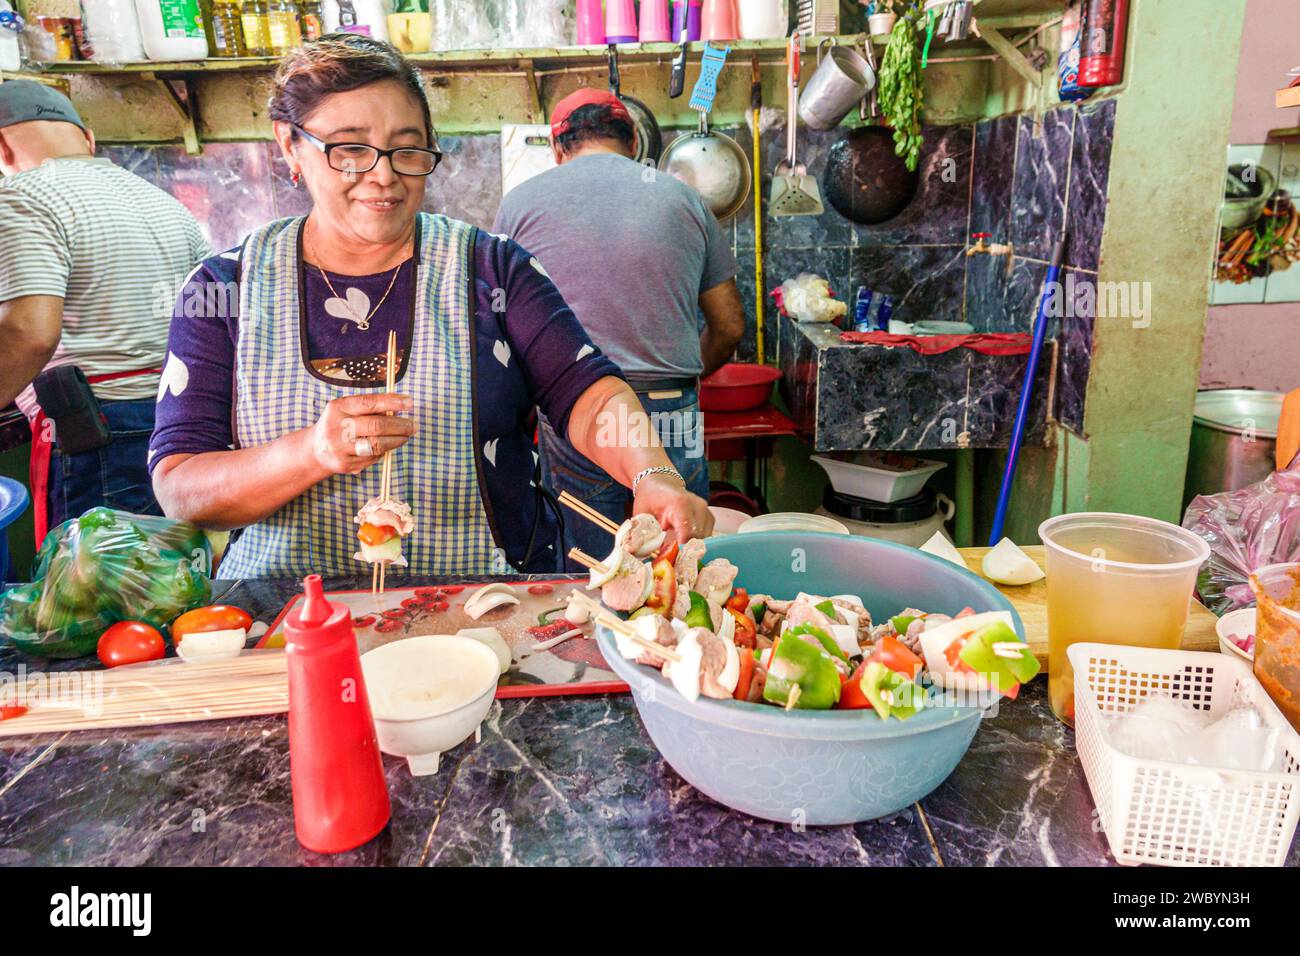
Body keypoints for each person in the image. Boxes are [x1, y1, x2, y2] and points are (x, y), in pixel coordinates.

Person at [149, 34, 713, 579]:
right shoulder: (228, 288)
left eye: (407, 148)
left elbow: (587, 395)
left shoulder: (493, 270)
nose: (384, 174)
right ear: (290, 145)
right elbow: (180, 488)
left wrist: (653, 473)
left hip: (486, 603)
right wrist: (310, 452)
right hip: (291, 622)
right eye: (349, 149)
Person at [493, 88, 744, 566]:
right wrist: (683, 375)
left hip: (576, 415)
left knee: (593, 570)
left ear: (558, 148)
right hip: (672, 407)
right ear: (633, 142)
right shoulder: (686, 198)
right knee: (681, 561)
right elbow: (729, 325)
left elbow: (506, 332)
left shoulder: (520, 203)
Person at [0, 80, 211, 544]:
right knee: (170, 584)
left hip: (97, 436)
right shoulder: (164, 202)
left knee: (100, 596)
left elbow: (30, 331)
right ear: (88, 139)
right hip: (179, 424)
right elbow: (213, 317)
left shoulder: (21, 196)